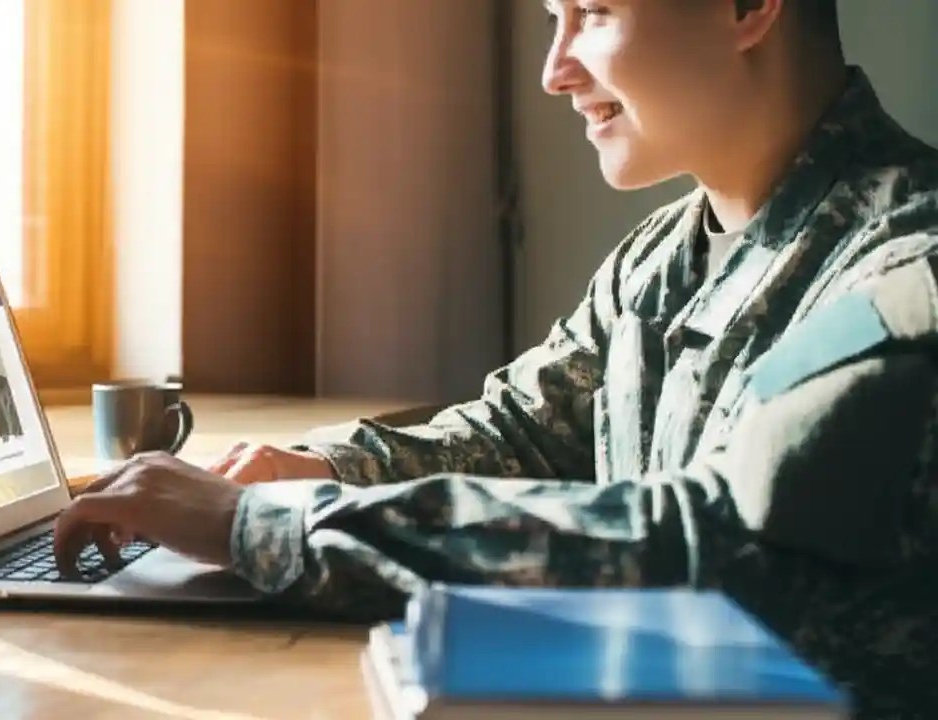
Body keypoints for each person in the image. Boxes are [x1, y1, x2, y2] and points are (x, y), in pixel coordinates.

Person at [55, 0, 938, 716]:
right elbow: (525, 427)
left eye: (591, 13)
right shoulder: (661, 254)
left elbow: (717, 546)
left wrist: (265, 530)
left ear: (748, 8)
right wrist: (322, 466)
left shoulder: (908, 264)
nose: (554, 70)